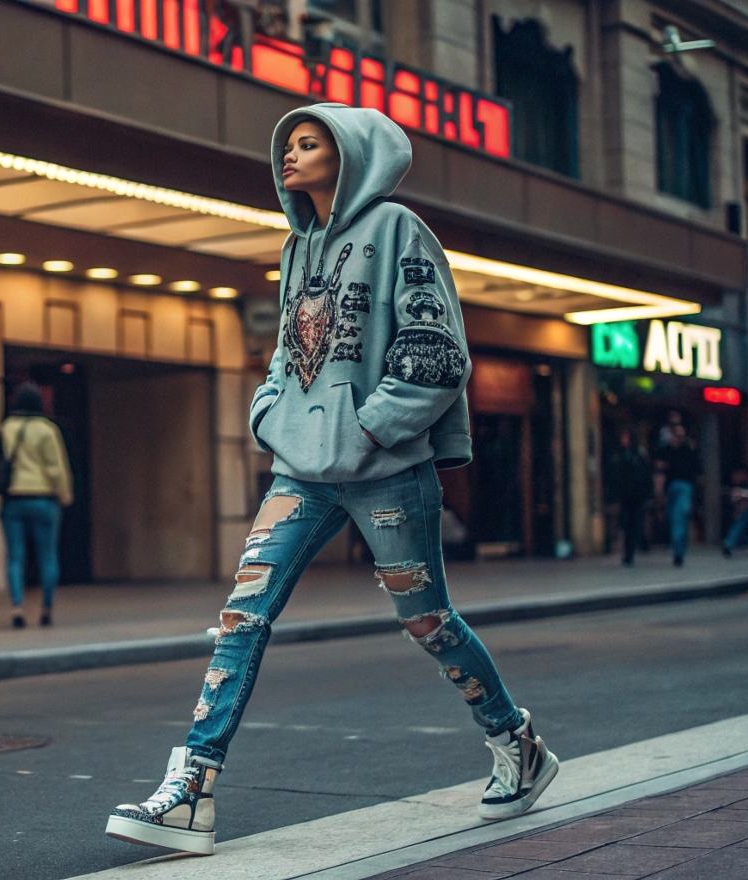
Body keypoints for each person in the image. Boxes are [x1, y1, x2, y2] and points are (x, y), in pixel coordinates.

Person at [104, 106, 558, 856]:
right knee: (240, 613)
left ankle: (516, 742)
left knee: (428, 622)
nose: (288, 155)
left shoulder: (397, 231)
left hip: (387, 469)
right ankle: (191, 787)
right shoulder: (295, 246)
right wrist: (269, 415)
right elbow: (286, 352)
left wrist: (369, 428)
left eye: (308, 144)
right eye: (284, 144)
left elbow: (434, 350)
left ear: (349, 155)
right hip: (300, 471)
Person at [0, 382, 73, 628]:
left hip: (13, 497)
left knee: (15, 556)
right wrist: (65, 493)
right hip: (42, 497)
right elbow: (55, 467)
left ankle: (16, 607)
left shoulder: (7, 427)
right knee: (47, 555)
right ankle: (46, 608)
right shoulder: (46, 429)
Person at [655, 424, 700, 566]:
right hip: (674, 488)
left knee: (679, 519)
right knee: (676, 518)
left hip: (683, 487)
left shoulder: (686, 451)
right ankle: (678, 549)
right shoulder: (668, 450)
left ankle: (678, 551)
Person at [615, 430, 654, 566]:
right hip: (627, 496)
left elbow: (645, 474)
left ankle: (632, 550)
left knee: (635, 524)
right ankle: (631, 550)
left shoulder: (638, 454)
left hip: (637, 496)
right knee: (628, 524)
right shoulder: (622, 455)